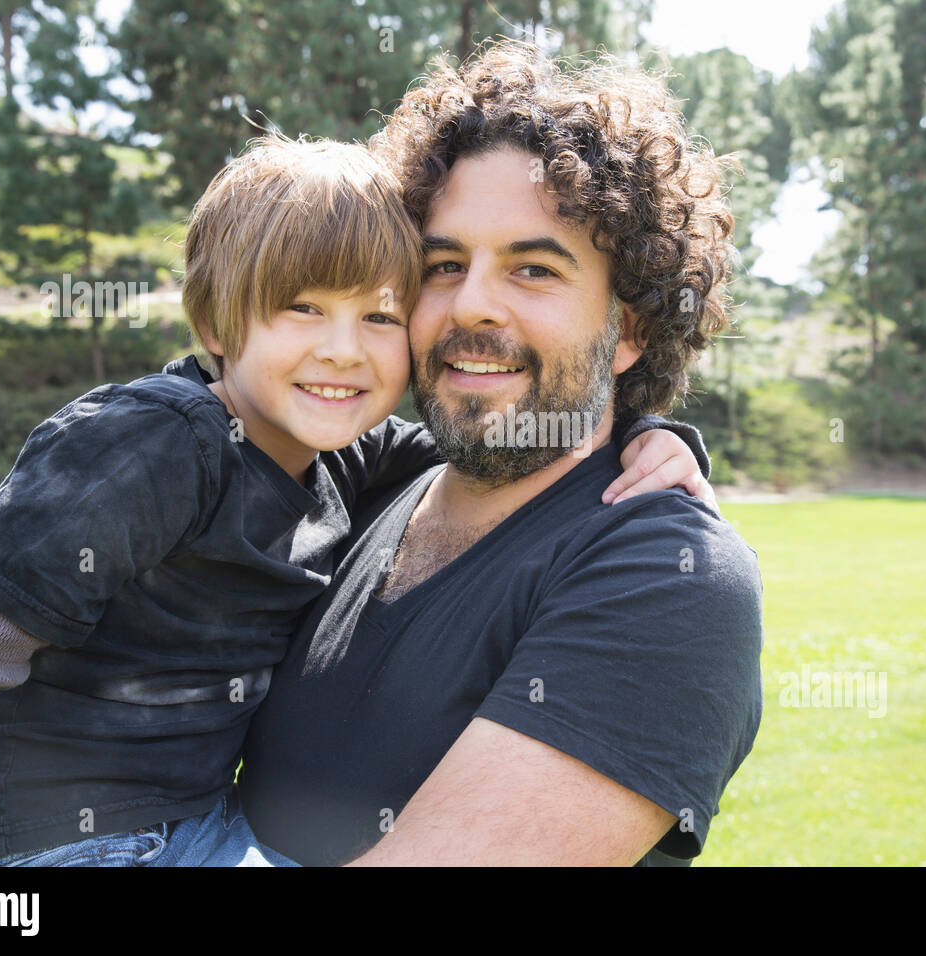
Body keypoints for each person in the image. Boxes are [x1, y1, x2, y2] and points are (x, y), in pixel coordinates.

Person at [0, 133, 708, 867]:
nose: (342, 350)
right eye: (301, 308)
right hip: (68, 846)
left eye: (381, 315)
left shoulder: (332, 455)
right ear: (214, 321)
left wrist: (645, 432)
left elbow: (509, 442)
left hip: (191, 829)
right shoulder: (153, 443)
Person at [236, 41, 764, 867]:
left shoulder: (670, 577)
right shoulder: (363, 483)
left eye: (534, 270)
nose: (472, 304)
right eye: (442, 264)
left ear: (628, 330)